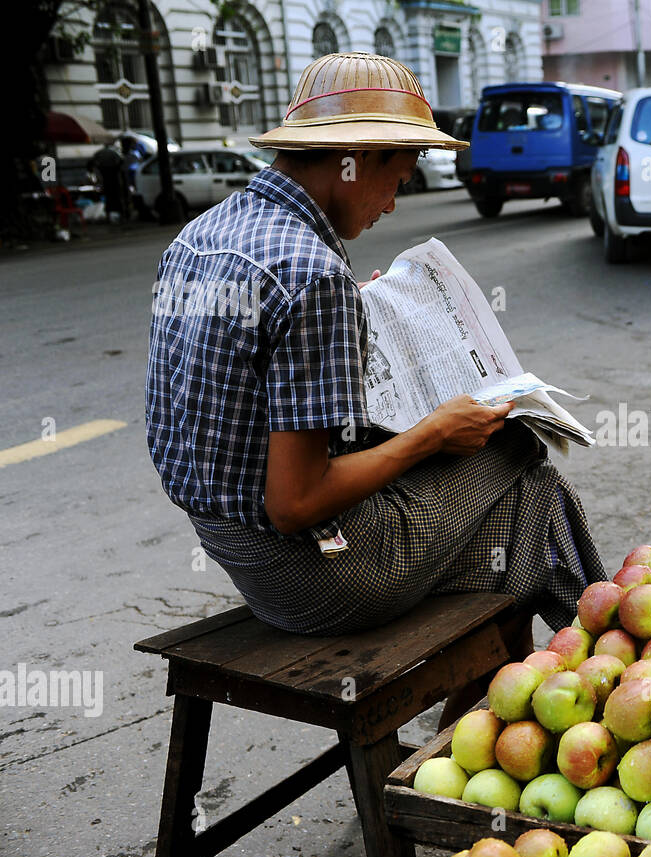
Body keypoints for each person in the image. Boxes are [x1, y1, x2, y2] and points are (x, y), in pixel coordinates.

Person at [145, 52, 605, 637]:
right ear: (355, 160)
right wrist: (432, 434)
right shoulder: (312, 276)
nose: (391, 203)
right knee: (521, 456)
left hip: (232, 551)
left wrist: (352, 311)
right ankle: (605, 647)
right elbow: (295, 505)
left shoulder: (202, 235)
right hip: (317, 572)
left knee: (522, 520)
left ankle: (560, 667)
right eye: (398, 179)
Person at [90, 142, 128, 223]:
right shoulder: (114, 153)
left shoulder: (99, 153)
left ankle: (109, 215)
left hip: (105, 177)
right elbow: (121, 162)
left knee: (108, 197)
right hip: (114, 178)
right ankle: (121, 215)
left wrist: (100, 168)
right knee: (117, 197)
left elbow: (92, 162)